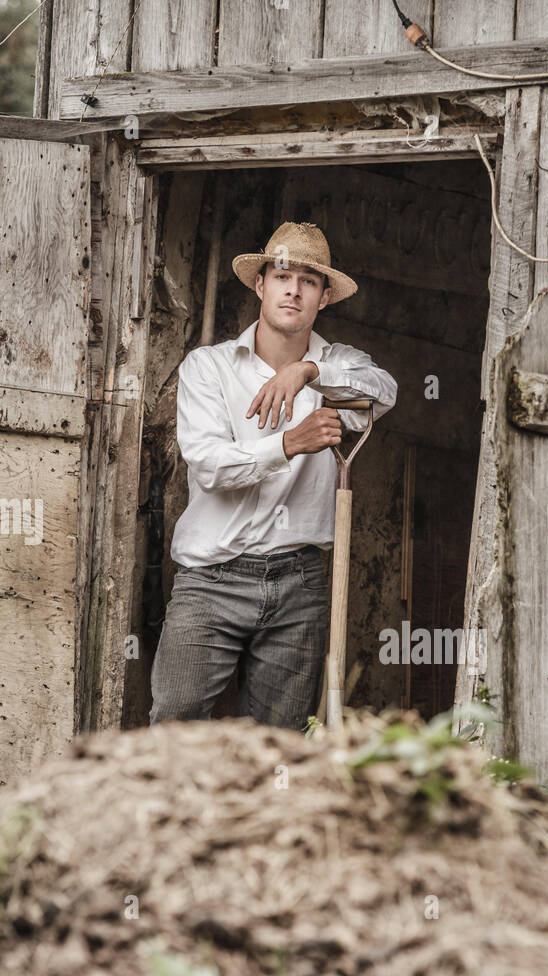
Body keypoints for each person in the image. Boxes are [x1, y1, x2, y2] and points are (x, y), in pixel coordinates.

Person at [149, 221, 397, 729]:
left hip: (299, 583)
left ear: (324, 298)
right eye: (282, 274)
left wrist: (309, 372)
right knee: (173, 729)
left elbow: (384, 391)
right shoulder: (209, 367)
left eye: (309, 280)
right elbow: (211, 466)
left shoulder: (336, 365)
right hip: (210, 580)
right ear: (260, 285)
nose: (294, 289)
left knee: (279, 742)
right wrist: (290, 443)